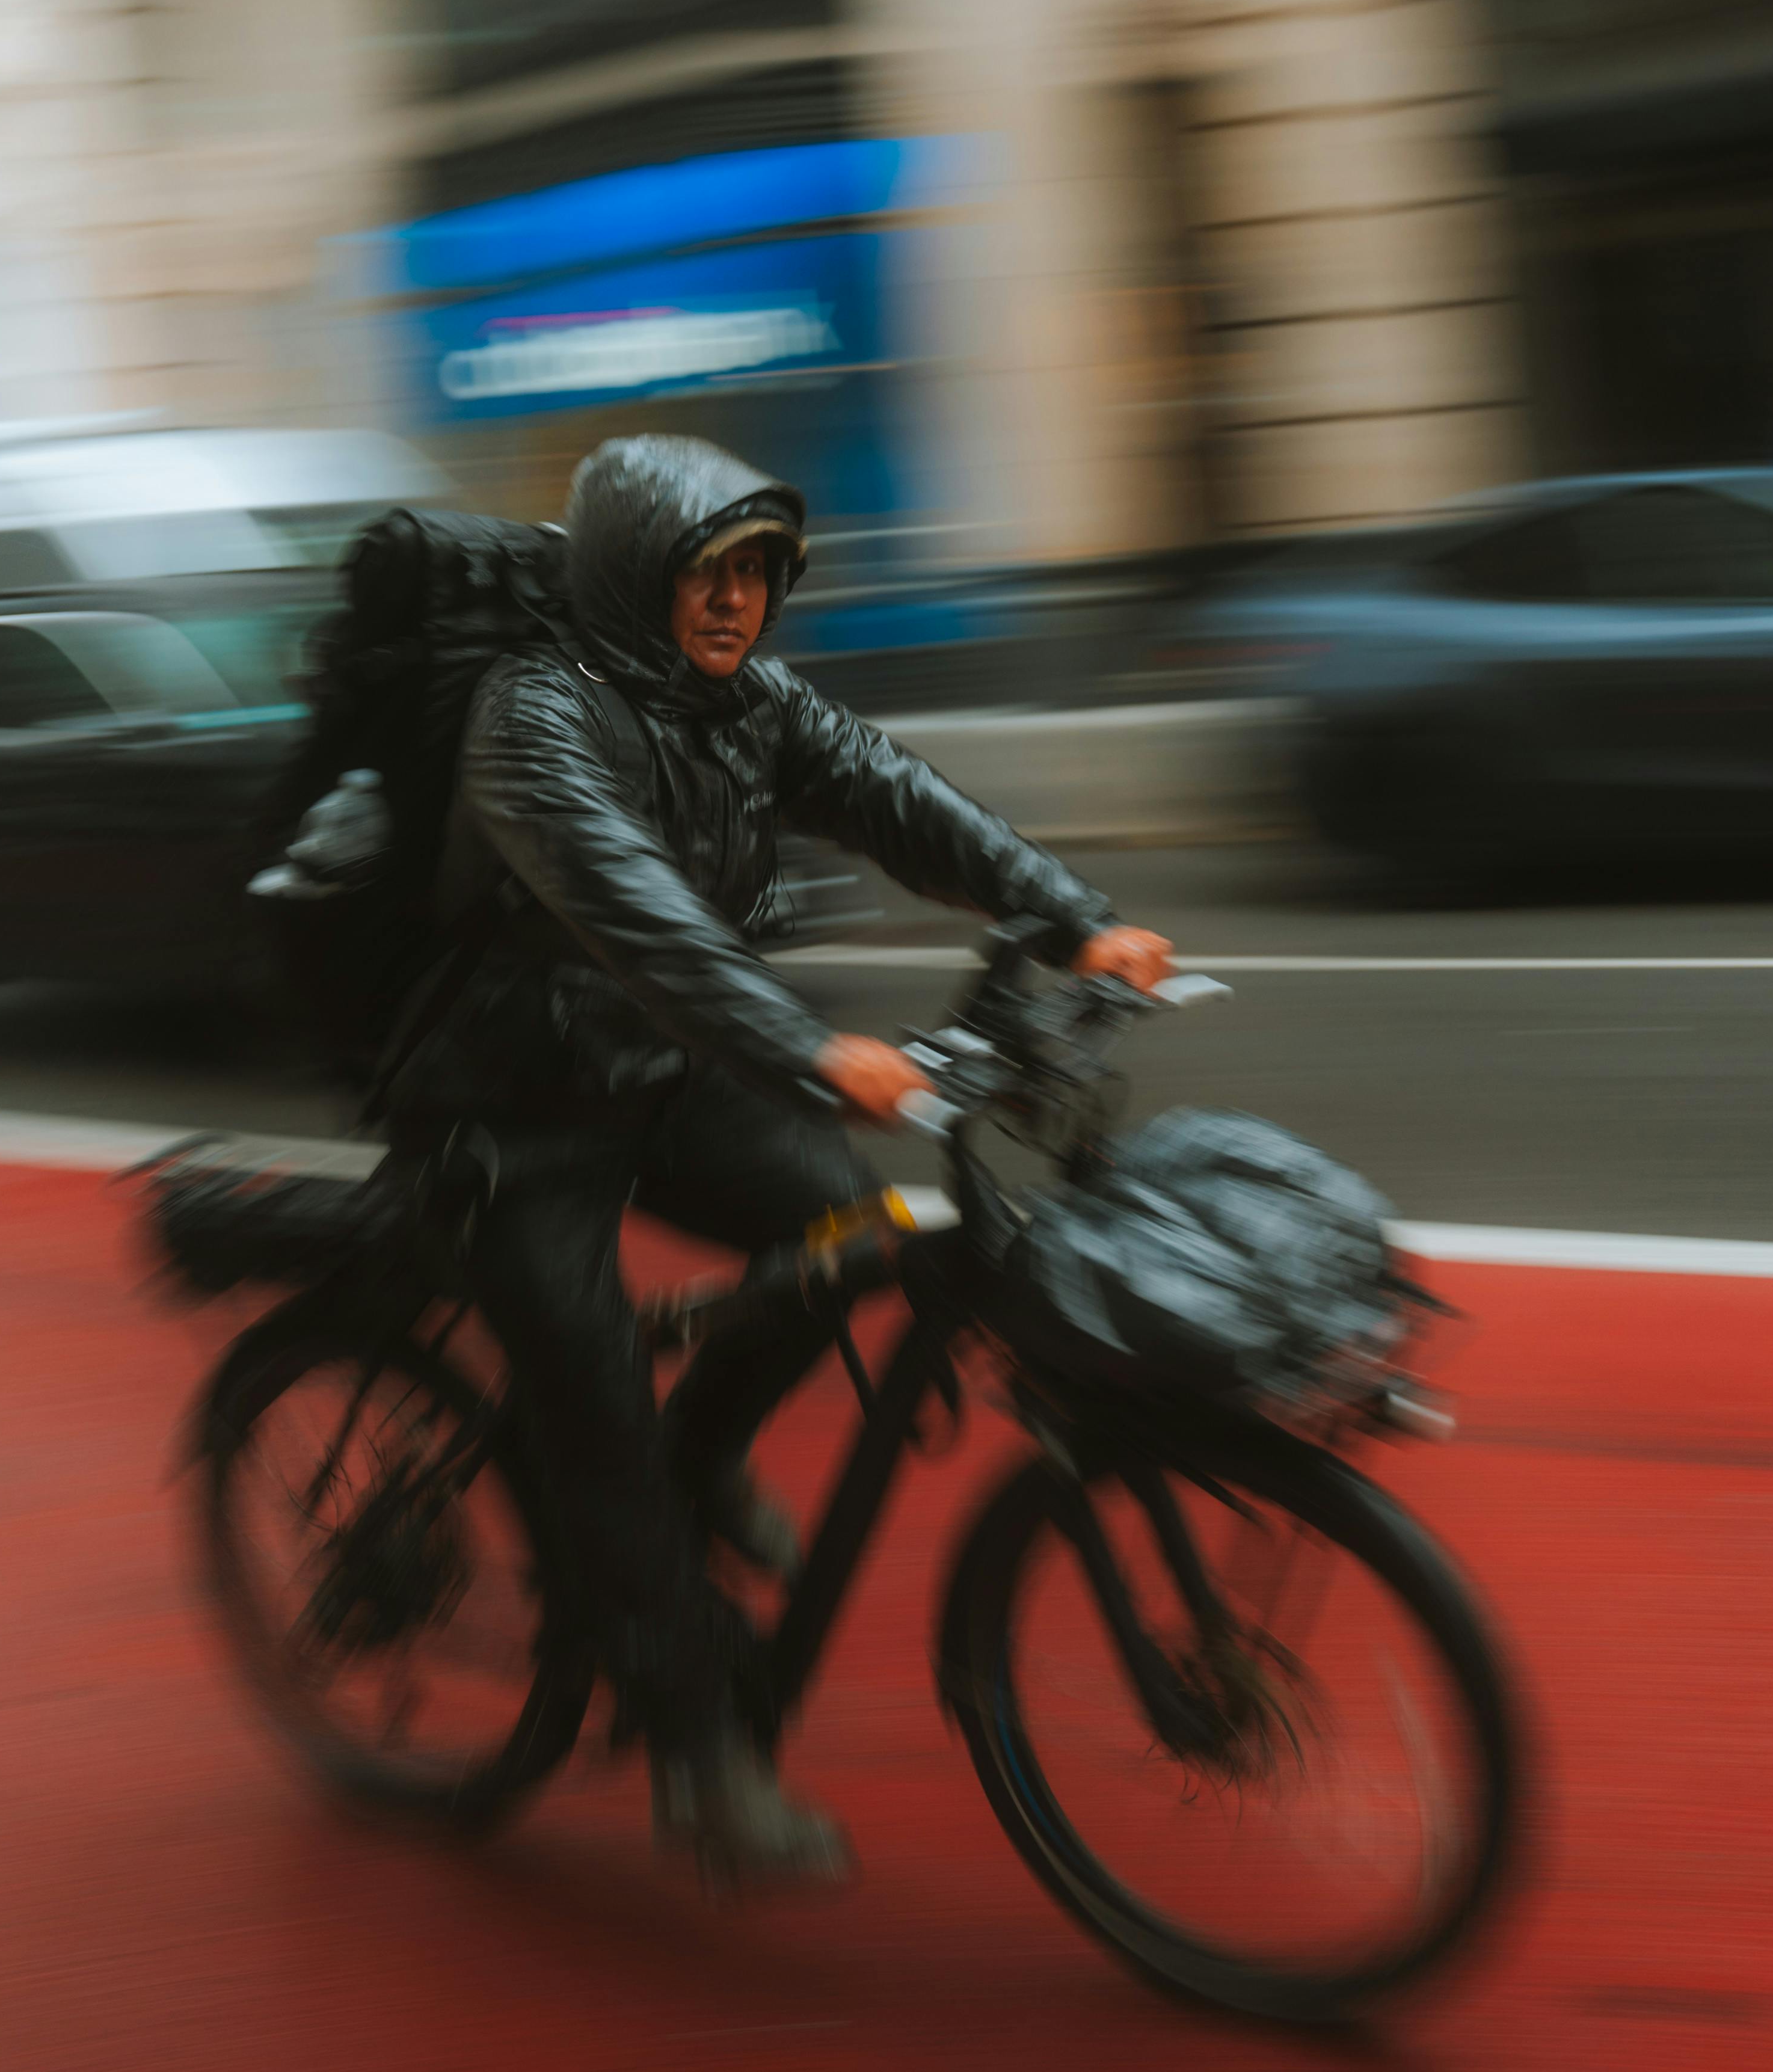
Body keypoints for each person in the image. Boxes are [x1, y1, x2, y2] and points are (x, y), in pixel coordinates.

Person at [377, 434, 1175, 1889]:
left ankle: (706, 1458)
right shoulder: (533, 717)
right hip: (514, 1109)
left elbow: (891, 794)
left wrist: (1070, 917)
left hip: (666, 1067)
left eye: (757, 574)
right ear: (636, 575)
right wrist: (805, 1051)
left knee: (847, 1223)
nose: (738, 601)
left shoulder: (744, 704)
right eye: (708, 571)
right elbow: (636, 917)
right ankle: (696, 1757)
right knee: (596, 1398)